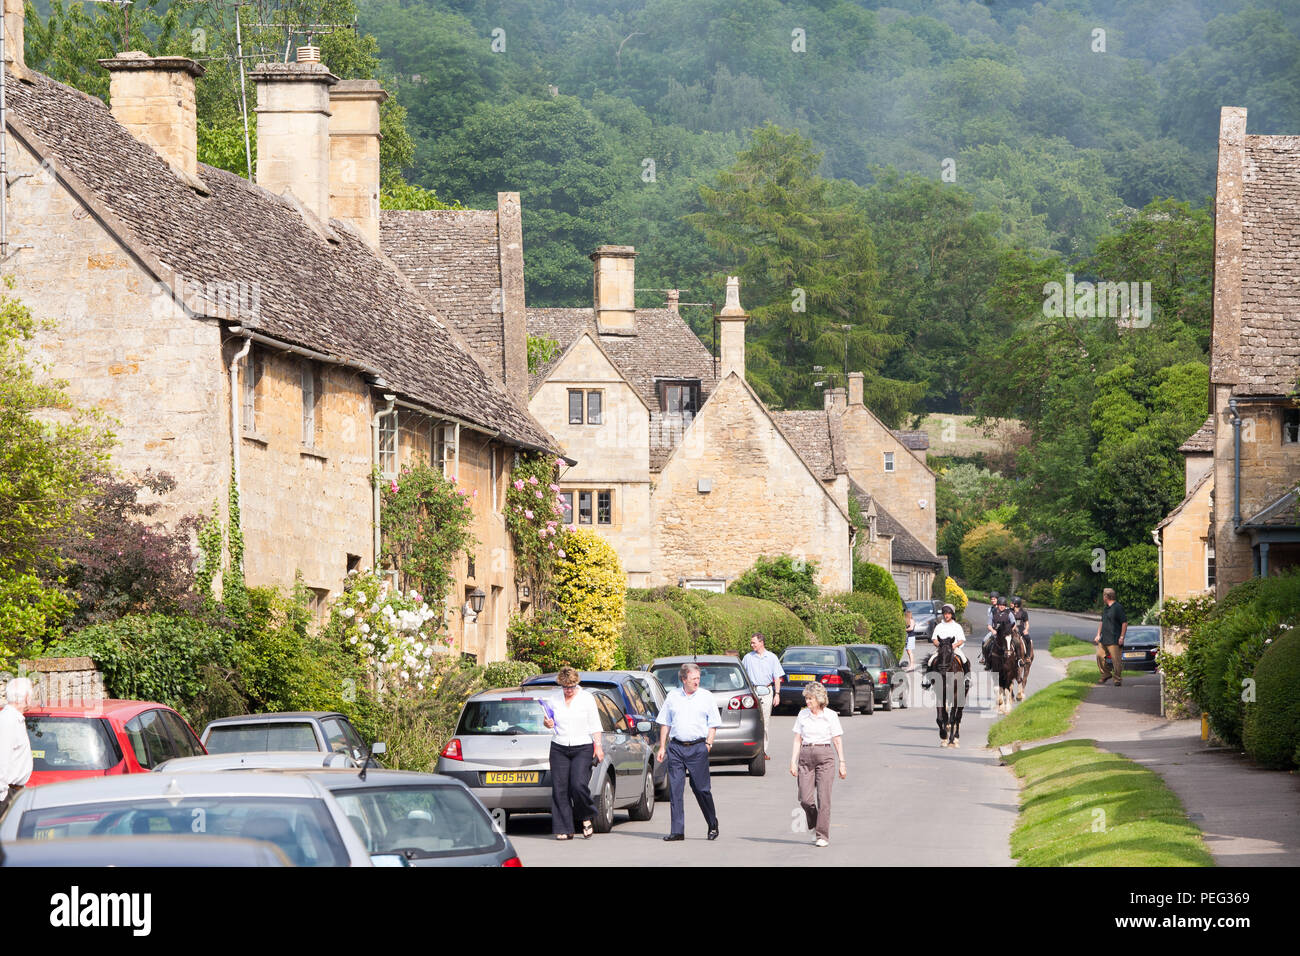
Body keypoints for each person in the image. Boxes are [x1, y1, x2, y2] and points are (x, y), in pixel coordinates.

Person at [655, 662, 722, 841]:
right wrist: (662, 747)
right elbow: (665, 723)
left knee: (701, 789)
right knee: (675, 790)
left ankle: (712, 823)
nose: (697, 682)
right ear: (683, 679)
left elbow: (713, 723)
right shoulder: (673, 696)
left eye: (698, 678)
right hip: (676, 747)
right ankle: (677, 830)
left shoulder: (706, 697)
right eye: (693, 679)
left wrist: (709, 743)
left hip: (698, 747)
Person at [541, 667, 603, 840]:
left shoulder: (587, 698)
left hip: (582, 746)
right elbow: (548, 723)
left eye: (572, 686)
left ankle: (586, 816)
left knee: (578, 785)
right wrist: (548, 723)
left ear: (577, 683)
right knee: (560, 788)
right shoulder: (553, 699)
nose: (569, 690)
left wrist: (598, 747)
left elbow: (595, 724)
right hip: (559, 746)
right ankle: (564, 828)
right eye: (565, 687)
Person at [789, 681, 846, 847]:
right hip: (806, 756)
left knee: (824, 798)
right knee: (805, 799)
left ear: (819, 699)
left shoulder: (830, 715)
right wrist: (793, 761)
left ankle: (822, 835)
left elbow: (837, 739)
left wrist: (842, 762)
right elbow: (797, 739)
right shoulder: (802, 715)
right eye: (806, 698)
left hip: (825, 756)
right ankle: (814, 824)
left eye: (811, 699)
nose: (808, 702)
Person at [741, 632, 784, 758]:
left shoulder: (772, 658)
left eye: (754, 642)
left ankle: (762, 750)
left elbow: (777, 677)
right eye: (751, 642)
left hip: (766, 691)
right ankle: (749, 749)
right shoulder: (748, 658)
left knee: (764, 721)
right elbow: (742, 675)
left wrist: (777, 694)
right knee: (750, 720)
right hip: (752, 692)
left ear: (761, 642)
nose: (751, 644)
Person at [0, 678, 34, 816]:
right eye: (31, 695)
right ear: (26, 697)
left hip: (14, 792)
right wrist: (2, 797)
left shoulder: (14, 718)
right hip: (6, 795)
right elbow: (1, 759)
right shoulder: (7, 721)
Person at [923, 604, 968, 686]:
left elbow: (961, 640)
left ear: (952, 614)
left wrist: (954, 645)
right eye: (945, 613)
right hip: (941, 649)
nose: (946, 615)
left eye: (948, 613)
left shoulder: (957, 626)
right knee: (930, 661)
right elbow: (934, 639)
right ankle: (927, 680)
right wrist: (939, 645)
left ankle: (967, 679)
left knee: (964, 659)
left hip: (954, 648)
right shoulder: (939, 626)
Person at [1094, 588, 1128, 686]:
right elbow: (1102, 622)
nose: (1103, 597)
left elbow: (1124, 623)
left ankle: (1117, 679)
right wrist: (1098, 634)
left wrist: (1122, 637)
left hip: (1114, 639)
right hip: (1104, 638)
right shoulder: (1105, 608)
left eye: (1103, 596)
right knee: (1099, 656)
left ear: (1107, 596)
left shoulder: (1118, 607)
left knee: (1116, 661)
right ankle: (1106, 674)